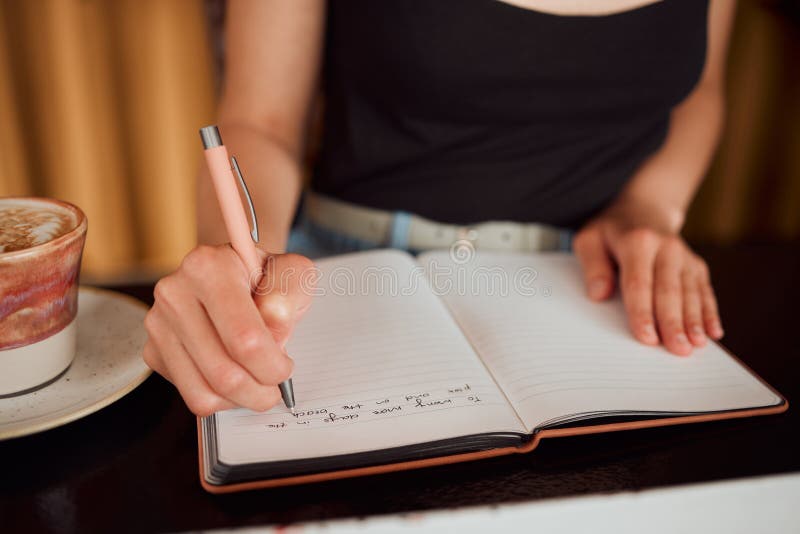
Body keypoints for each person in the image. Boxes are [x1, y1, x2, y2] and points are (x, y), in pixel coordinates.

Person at [143, 0, 735, 416]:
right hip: (349, 270)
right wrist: (241, 264)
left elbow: (702, 90)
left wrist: (650, 206)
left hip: (593, 285)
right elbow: (261, 122)